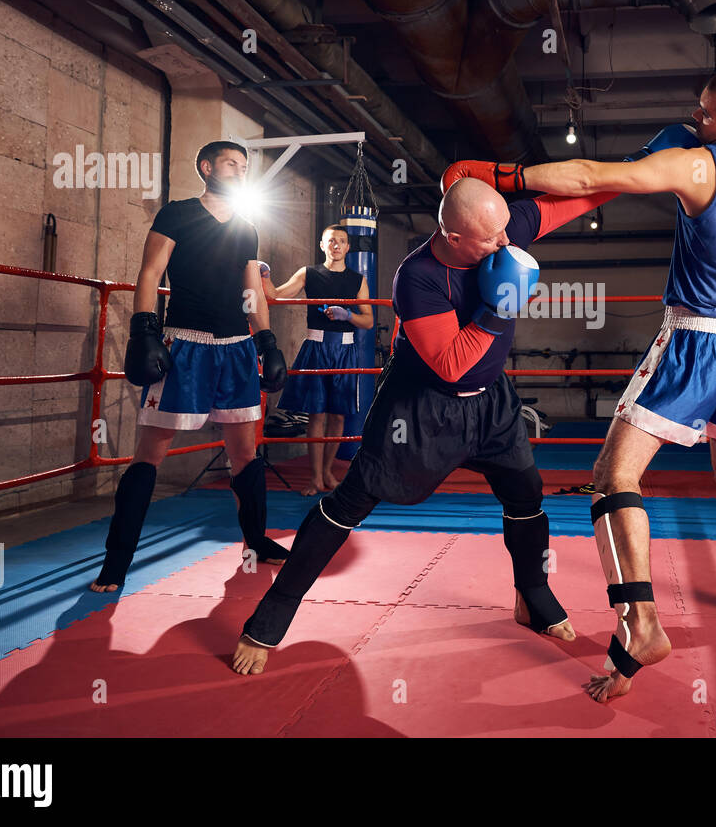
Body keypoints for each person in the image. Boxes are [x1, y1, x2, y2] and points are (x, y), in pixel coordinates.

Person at [445, 69, 716, 702]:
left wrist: (502, 176)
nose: (694, 120)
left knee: (614, 476)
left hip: (696, 341)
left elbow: (592, 176)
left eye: (706, 116)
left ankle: (641, 626)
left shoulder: (700, 165)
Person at [230, 177, 626, 675]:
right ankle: (271, 614)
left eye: (506, 232)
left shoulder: (499, 231)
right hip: (419, 406)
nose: (505, 244)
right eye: (491, 239)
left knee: (526, 496)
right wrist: (500, 308)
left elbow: (576, 199)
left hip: (492, 406)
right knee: (350, 503)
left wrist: (637, 173)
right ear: (453, 236)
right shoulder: (417, 277)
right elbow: (452, 364)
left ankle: (533, 593)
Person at [91, 140, 290, 592]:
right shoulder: (176, 213)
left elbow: (252, 290)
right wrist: (144, 330)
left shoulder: (246, 227)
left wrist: (268, 342)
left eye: (244, 167)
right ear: (206, 166)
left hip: (237, 348)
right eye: (231, 164)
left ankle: (256, 541)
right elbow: (150, 272)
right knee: (150, 455)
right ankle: (116, 562)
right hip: (187, 345)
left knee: (245, 454)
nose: (240, 172)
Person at [265, 226, 374, 495]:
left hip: (345, 351)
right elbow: (275, 295)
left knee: (338, 416)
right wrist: (263, 274)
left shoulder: (357, 280)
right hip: (316, 347)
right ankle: (315, 478)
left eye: (342, 241)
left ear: (348, 247)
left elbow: (369, 321)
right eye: (331, 241)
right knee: (316, 413)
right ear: (322, 245)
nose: (336, 245)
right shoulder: (308, 273)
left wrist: (348, 316)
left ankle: (327, 472)